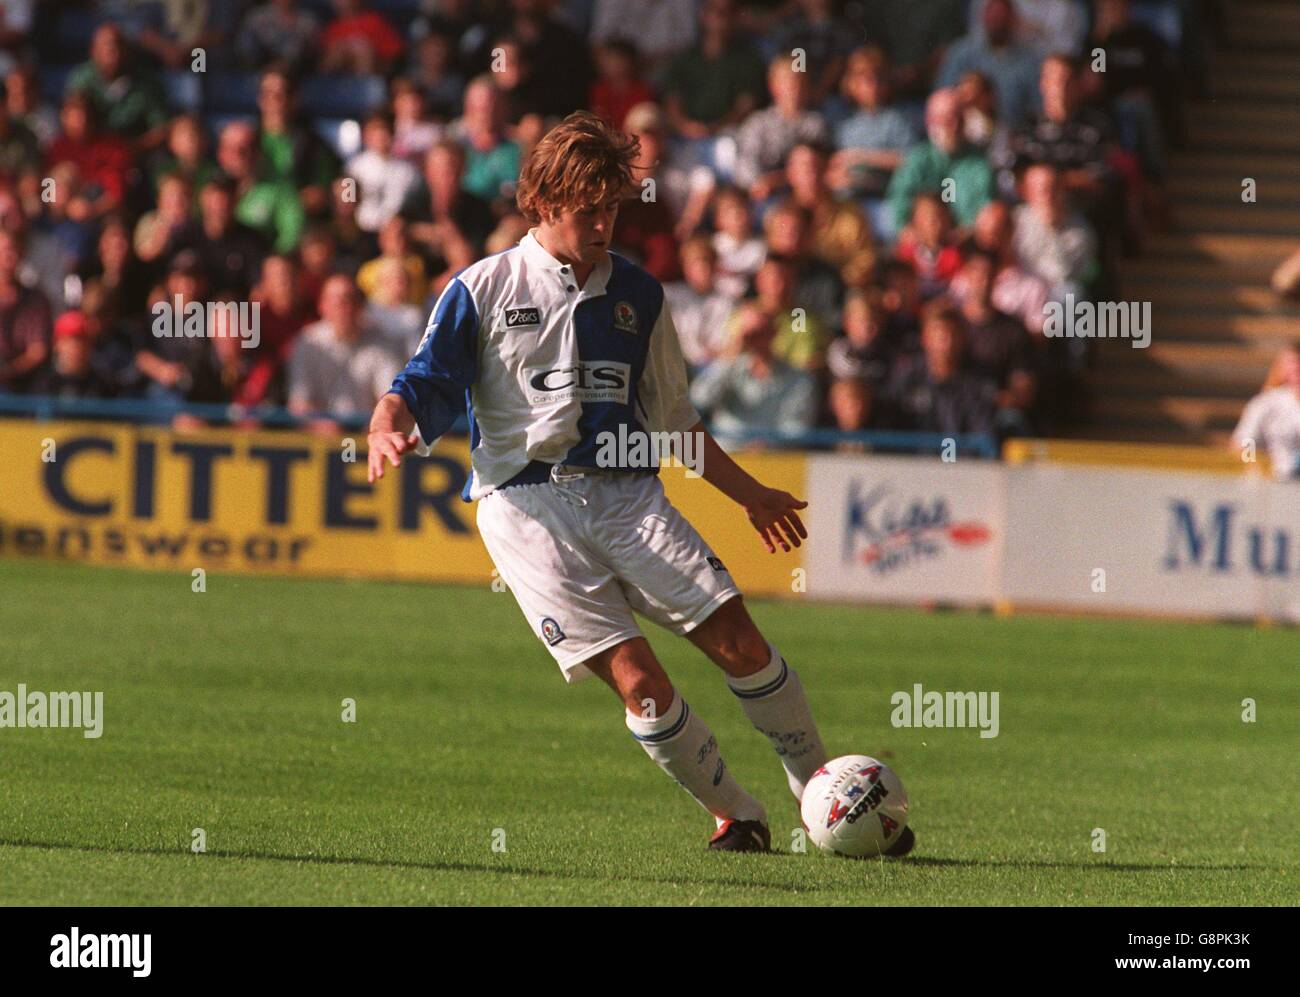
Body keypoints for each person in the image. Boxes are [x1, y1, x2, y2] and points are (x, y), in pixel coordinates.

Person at [367, 111, 915, 856]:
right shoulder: (483, 287)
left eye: (612, 205)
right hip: (526, 508)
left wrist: (748, 492)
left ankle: (819, 790)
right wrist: (387, 419)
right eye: (587, 207)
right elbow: (423, 380)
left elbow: (675, 418)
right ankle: (738, 814)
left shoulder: (640, 295)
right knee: (641, 682)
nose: (603, 221)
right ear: (543, 203)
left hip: (629, 494)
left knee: (739, 640)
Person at [1231, 346, 1300, 480]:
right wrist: (1253, 464)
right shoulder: (1267, 403)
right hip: (1280, 480)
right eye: (1293, 362)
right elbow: (1244, 441)